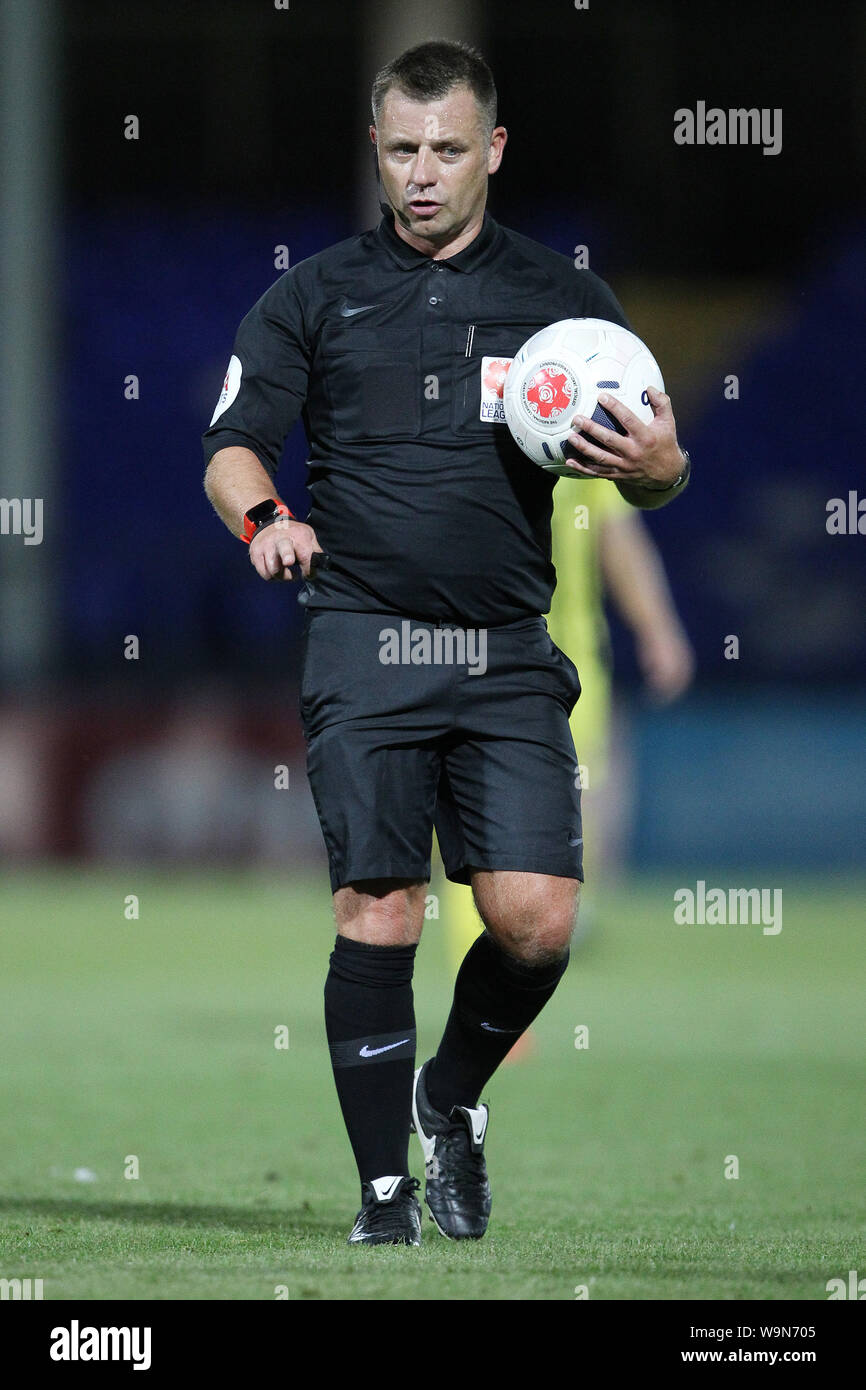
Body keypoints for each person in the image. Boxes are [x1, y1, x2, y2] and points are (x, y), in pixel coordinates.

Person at [201, 39, 691, 1246]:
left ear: (494, 152)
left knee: (534, 921)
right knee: (381, 908)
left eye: (449, 150)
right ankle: (380, 1202)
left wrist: (664, 468)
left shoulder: (564, 308)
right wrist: (266, 518)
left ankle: (449, 1097)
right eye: (404, 150)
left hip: (506, 651)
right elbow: (229, 446)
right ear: (377, 148)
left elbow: (654, 473)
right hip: (364, 640)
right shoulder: (310, 295)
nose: (424, 174)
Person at [437, 480, 696, 1018]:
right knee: (482, 828)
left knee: (573, 837)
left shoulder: (580, 420)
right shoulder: (461, 418)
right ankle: (483, 1003)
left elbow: (617, 534)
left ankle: (532, 974)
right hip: (476, 660)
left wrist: (658, 629)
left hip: (570, 667)